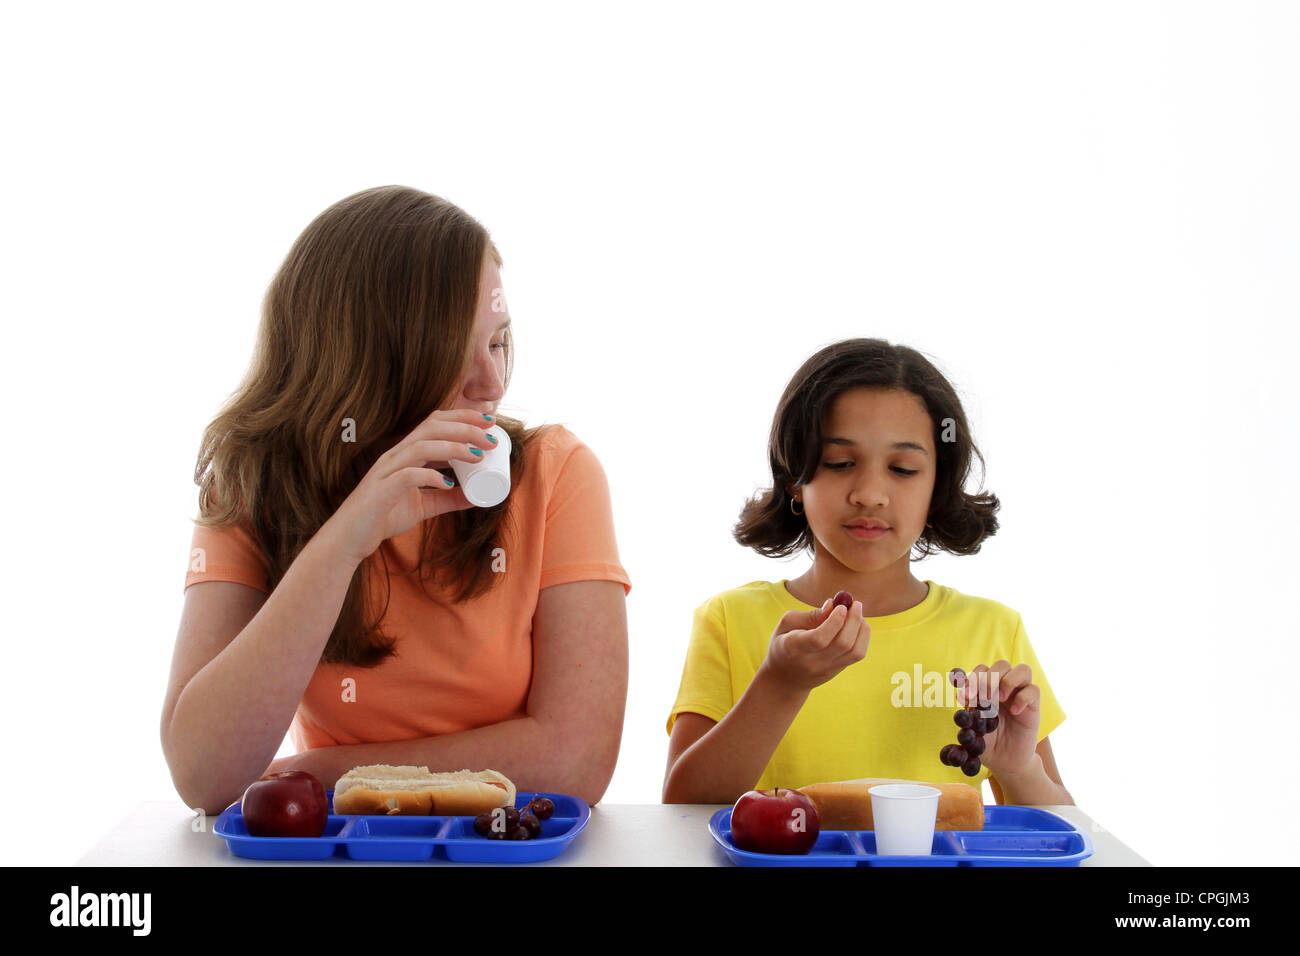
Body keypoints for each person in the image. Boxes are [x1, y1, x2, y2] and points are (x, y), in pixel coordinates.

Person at [162, 186, 630, 816]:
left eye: (496, 342)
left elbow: (576, 760)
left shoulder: (555, 473)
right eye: (451, 351)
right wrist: (344, 541)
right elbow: (204, 774)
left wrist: (314, 771)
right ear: (361, 359)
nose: (491, 385)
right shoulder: (254, 481)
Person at [662, 338, 1072, 807]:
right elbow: (681, 812)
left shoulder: (995, 629)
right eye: (839, 463)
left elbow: (1062, 835)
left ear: (937, 487)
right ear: (795, 479)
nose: (870, 493)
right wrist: (781, 683)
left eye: (902, 468)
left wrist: (1019, 769)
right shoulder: (730, 619)